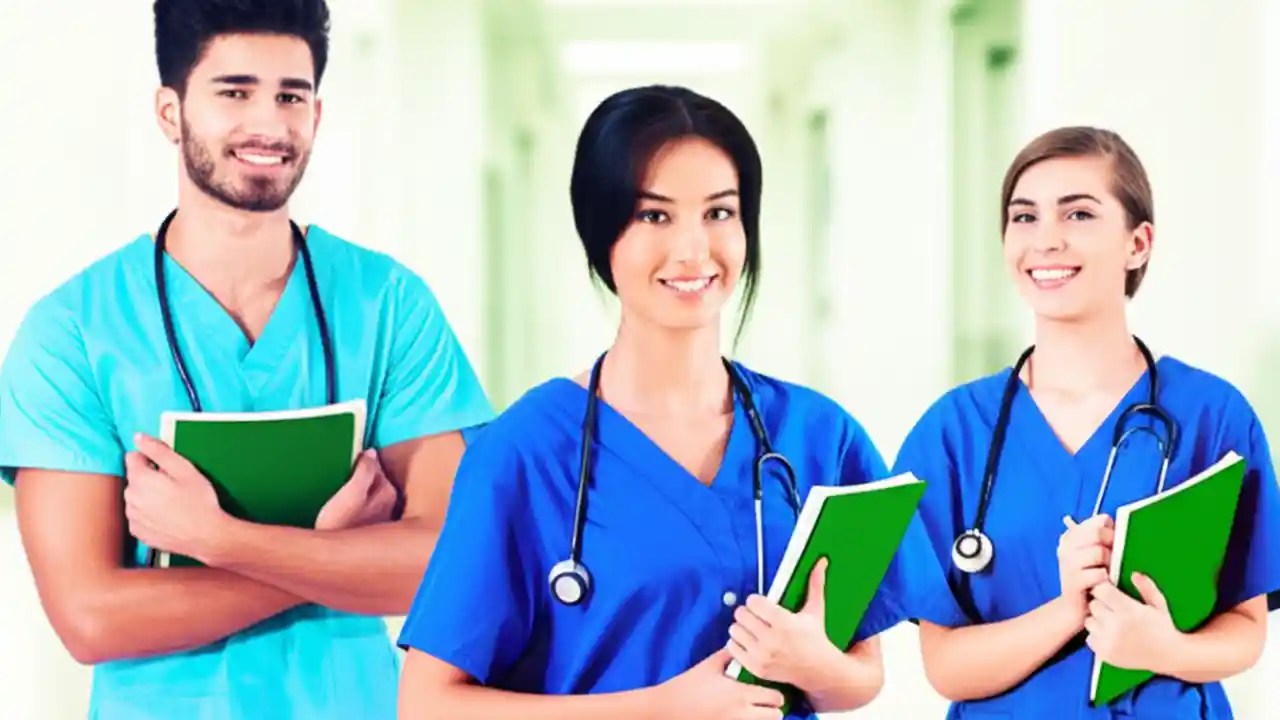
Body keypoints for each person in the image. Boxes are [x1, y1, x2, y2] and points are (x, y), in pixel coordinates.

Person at [394, 84, 962, 720]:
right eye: (654, 216)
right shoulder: (525, 452)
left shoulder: (818, 437)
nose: (693, 250)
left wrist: (811, 663)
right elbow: (429, 703)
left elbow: (860, 676)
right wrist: (662, 708)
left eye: (719, 213)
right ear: (600, 233)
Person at [0, 1, 492, 718]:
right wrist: (332, 553)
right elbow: (91, 617)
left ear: (317, 116)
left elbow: (448, 566)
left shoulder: (387, 304)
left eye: (291, 96)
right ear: (170, 112)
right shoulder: (72, 331)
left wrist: (218, 540)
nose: (268, 123)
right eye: (234, 92)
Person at [892, 126, 1280, 717]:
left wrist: (1165, 647)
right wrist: (1071, 608)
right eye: (1024, 218)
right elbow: (946, 667)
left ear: (1138, 243)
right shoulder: (955, 433)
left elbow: (1246, 629)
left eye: (1078, 215)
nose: (1046, 240)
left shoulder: (1211, 416)